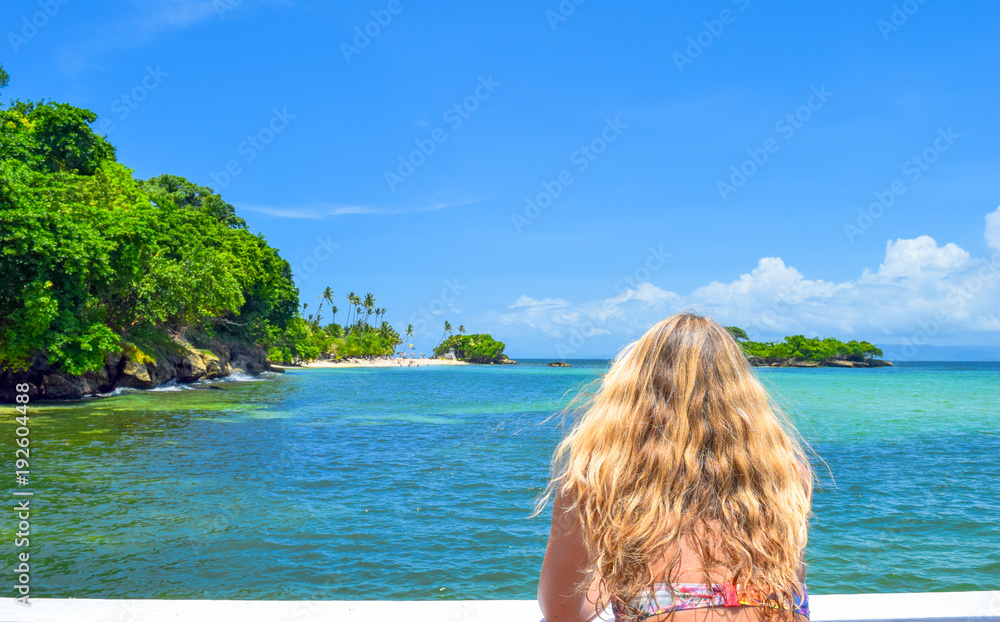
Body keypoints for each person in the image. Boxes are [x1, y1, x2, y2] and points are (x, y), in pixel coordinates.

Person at [537, 313, 813, 622]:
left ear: (635, 388)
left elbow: (560, 612)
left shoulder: (597, 475)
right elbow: (794, 583)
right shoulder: (788, 472)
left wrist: (608, 579)